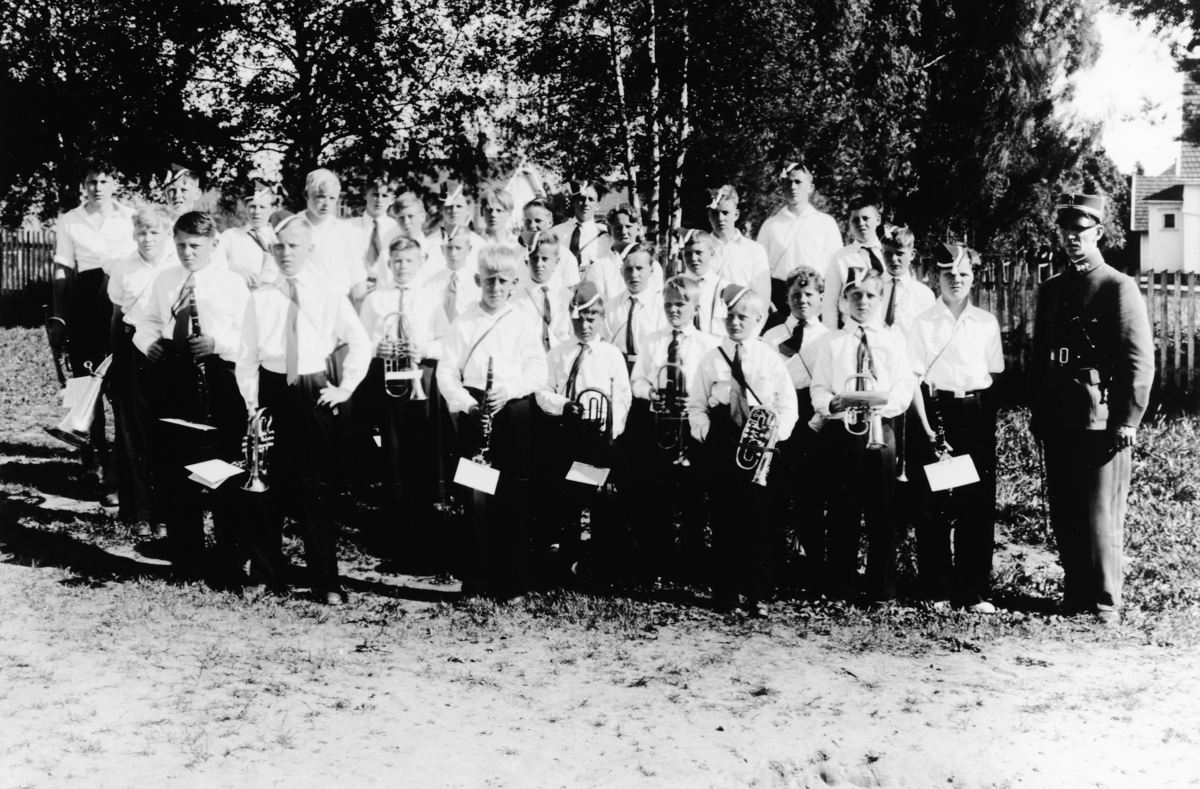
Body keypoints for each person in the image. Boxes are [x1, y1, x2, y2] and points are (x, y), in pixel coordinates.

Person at [1030, 193, 1154, 625]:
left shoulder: (1117, 286)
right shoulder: (1051, 288)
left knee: (1100, 512)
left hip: (1101, 417)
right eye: (1065, 232)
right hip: (1059, 414)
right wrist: (1038, 409)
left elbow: (1139, 361)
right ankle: (1075, 590)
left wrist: (1127, 419)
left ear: (1097, 232)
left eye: (1079, 231)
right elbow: (1039, 354)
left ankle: (1104, 601)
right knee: (1065, 508)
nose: (1070, 239)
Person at [236, 213, 372, 604]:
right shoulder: (261, 296)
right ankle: (263, 573)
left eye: (294, 246)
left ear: (310, 250)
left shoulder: (327, 291)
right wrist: (252, 405)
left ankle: (325, 580)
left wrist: (345, 388)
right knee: (264, 484)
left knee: (317, 489)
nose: (286, 253)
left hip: (313, 390)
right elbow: (247, 357)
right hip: (271, 391)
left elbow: (359, 342)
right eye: (279, 246)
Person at [133, 211, 250, 583]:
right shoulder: (165, 278)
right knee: (175, 468)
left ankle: (230, 558)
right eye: (181, 244)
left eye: (195, 246)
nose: (187, 252)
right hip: (174, 375)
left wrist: (218, 343)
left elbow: (249, 336)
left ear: (214, 244)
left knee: (222, 469)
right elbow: (144, 320)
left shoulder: (232, 283)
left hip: (218, 375)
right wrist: (149, 342)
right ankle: (187, 560)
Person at [437, 244, 549, 597]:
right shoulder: (463, 321)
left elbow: (538, 370)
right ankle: (476, 581)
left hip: (512, 413)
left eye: (503, 281)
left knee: (512, 498)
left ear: (514, 283)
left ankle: (512, 582)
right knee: (476, 499)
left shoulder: (521, 321)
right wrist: (467, 405)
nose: (495, 287)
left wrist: (510, 390)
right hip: (475, 415)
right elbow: (446, 373)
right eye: (489, 280)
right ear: (476, 280)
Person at [688, 287, 798, 615]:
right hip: (722, 438)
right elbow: (696, 406)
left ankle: (759, 594)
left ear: (759, 320)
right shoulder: (711, 358)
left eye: (743, 317)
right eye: (731, 316)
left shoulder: (769, 358)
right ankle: (726, 593)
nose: (735, 323)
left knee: (758, 520)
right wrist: (707, 434)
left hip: (758, 439)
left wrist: (774, 439)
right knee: (724, 518)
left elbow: (788, 405)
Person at [907, 243, 1004, 613]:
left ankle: (973, 590)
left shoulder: (986, 322)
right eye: (949, 274)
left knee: (975, 502)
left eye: (963, 274)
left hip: (975, 412)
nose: (956, 280)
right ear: (936, 278)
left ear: (973, 277)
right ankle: (937, 588)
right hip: (937, 412)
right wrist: (928, 427)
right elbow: (915, 378)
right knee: (935, 502)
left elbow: (993, 374)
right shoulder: (923, 322)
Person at [810, 271, 915, 605]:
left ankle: (881, 591)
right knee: (843, 511)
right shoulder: (831, 341)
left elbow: (903, 386)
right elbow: (819, 387)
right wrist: (832, 403)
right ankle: (841, 588)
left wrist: (883, 406)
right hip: (843, 432)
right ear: (844, 301)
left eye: (871, 296)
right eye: (856, 296)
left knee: (883, 512)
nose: (863, 302)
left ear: (880, 300)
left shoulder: (892, 340)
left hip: (880, 430)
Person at [359, 237, 450, 565]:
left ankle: (425, 530)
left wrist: (424, 350)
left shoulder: (430, 298)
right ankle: (395, 532)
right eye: (396, 262)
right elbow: (362, 339)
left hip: (421, 380)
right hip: (389, 385)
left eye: (408, 262)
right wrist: (376, 349)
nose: (402, 267)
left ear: (419, 263)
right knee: (394, 454)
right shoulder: (376, 300)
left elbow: (445, 342)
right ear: (389, 263)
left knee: (423, 451)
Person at [534, 281, 632, 581]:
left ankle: (599, 560)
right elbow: (542, 390)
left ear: (601, 319)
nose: (584, 326)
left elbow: (622, 397)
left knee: (597, 499)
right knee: (566, 500)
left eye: (591, 319)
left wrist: (610, 431)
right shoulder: (558, 353)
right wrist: (563, 405)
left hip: (596, 441)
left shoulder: (611, 354)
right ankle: (565, 557)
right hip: (565, 437)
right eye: (578, 320)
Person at [627, 276, 720, 582]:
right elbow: (637, 380)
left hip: (690, 425)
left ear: (695, 307)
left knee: (693, 496)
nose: (673, 309)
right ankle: (659, 561)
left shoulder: (709, 344)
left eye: (680, 304)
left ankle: (693, 563)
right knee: (659, 495)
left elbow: (713, 387)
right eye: (667, 304)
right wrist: (649, 392)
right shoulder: (652, 340)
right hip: (659, 424)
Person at [49, 159, 136, 484]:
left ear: (115, 184)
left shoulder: (128, 217)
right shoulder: (69, 220)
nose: (97, 188)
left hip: (119, 304)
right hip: (83, 304)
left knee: (120, 384)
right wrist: (59, 316)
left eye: (103, 181)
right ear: (83, 186)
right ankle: (91, 459)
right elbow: (62, 269)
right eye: (91, 182)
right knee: (83, 382)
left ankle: (122, 464)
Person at [107, 205, 180, 528]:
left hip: (168, 352)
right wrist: (113, 362)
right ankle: (139, 512)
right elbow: (116, 317)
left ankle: (166, 512)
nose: (147, 238)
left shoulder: (178, 263)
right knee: (132, 433)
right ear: (133, 233)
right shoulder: (124, 267)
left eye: (155, 232)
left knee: (166, 431)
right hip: (131, 353)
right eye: (141, 231)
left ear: (168, 234)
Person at [759, 266, 830, 589]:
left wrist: (815, 422)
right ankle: (770, 571)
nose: (803, 300)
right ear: (786, 297)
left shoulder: (828, 338)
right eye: (796, 294)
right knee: (773, 494)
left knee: (811, 497)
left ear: (821, 298)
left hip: (815, 419)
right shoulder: (771, 336)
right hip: (778, 415)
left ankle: (814, 573)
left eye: (810, 294)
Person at [756, 158, 842, 313]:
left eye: (798, 182)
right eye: (788, 183)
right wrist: (767, 301)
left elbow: (835, 269)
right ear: (782, 187)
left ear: (810, 187)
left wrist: (826, 302)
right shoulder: (771, 225)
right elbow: (760, 269)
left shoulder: (826, 223)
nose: (793, 187)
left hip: (815, 298)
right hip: (778, 300)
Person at [302, 168, 370, 305]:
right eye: (320, 196)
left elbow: (357, 275)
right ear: (306, 195)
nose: (326, 204)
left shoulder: (345, 230)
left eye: (332, 198)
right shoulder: (293, 227)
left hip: (338, 306)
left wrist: (361, 310)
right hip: (303, 304)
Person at [822, 194, 887, 330]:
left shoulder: (889, 255)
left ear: (878, 220)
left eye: (866, 218)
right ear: (850, 223)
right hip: (851, 332)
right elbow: (830, 302)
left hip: (885, 331)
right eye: (855, 220)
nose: (861, 224)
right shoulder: (840, 257)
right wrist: (832, 336)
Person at [604, 243, 666, 374]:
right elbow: (605, 343)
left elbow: (663, 348)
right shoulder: (611, 306)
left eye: (640, 268)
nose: (634, 275)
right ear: (621, 271)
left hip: (649, 370)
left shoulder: (661, 306)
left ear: (651, 271)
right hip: (616, 370)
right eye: (628, 269)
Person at [708, 185, 771, 306]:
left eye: (725, 213)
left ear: (736, 215)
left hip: (741, 321)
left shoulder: (755, 250)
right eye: (715, 213)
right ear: (709, 216)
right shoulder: (699, 249)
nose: (720, 218)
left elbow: (762, 298)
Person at [512, 233, 573, 352]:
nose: (539, 264)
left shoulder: (567, 299)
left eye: (545, 259)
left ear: (556, 262)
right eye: (534, 258)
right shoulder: (515, 302)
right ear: (527, 262)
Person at [218, 180, 284, 289]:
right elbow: (211, 263)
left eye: (262, 207)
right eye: (252, 206)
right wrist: (231, 267)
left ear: (273, 209)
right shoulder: (230, 236)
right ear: (245, 208)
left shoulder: (280, 237)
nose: (257, 212)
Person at [552, 180, 615, 291]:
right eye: (582, 198)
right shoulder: (555, 233)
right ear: (573, 202)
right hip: (560, 294)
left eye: (591, 199)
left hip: (592, 297)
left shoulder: (607, 239)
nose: (586, 203)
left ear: (597, 205)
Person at [350, 169, 401, 288]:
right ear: (365, 194)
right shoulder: (349, 227)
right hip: (355, 289)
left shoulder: (396, 230)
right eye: (375, 194)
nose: (379, 200)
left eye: (384, 195)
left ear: (392, 200)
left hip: (387, 290)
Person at [425, 222, 481, 324]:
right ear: (442, 249)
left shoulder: (478, 285)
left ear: (469, 249)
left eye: (458, 248)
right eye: (449, 248)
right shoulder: (430, 284)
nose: (453, 254)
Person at [681, 231, 732, 337]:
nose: (693, 259)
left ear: (712, 254)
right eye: (688, 254)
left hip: (714, 347)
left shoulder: (724, 287)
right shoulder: (678, 286)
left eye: (699, 252)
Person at [520, 198, 581, 287]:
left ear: (550, 223)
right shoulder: (515, 253)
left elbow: (571, 290)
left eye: (538, 221)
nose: (532, 226)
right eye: (527, 221)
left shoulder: (564, 255)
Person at [394, 191, 449, 285]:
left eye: (411, 216)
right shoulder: (392, 252)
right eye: (401, 218)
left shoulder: (433, 250)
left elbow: (441, 285)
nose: (406, 222)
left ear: (422, 217)